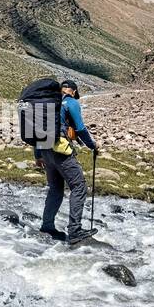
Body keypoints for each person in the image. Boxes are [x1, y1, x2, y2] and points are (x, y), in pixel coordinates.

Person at [36, 79, 98, 243]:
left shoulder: (49, 102)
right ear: (74, 91)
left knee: (55, 189)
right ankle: (75, 230)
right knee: (79, 186)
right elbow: (80, 128)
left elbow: (38, 129)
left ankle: (47, 225)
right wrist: (92, 146)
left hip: (45, 149)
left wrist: (37, 155)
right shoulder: (70, 102)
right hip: (61, 150)